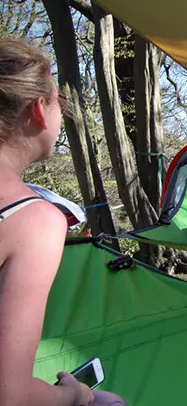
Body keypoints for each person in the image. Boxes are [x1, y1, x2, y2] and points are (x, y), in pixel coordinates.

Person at [0, 39, 126, 405]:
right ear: (39, 109)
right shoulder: (34, 221)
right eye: (61, 102)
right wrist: (78, 395)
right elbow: (10, 394)